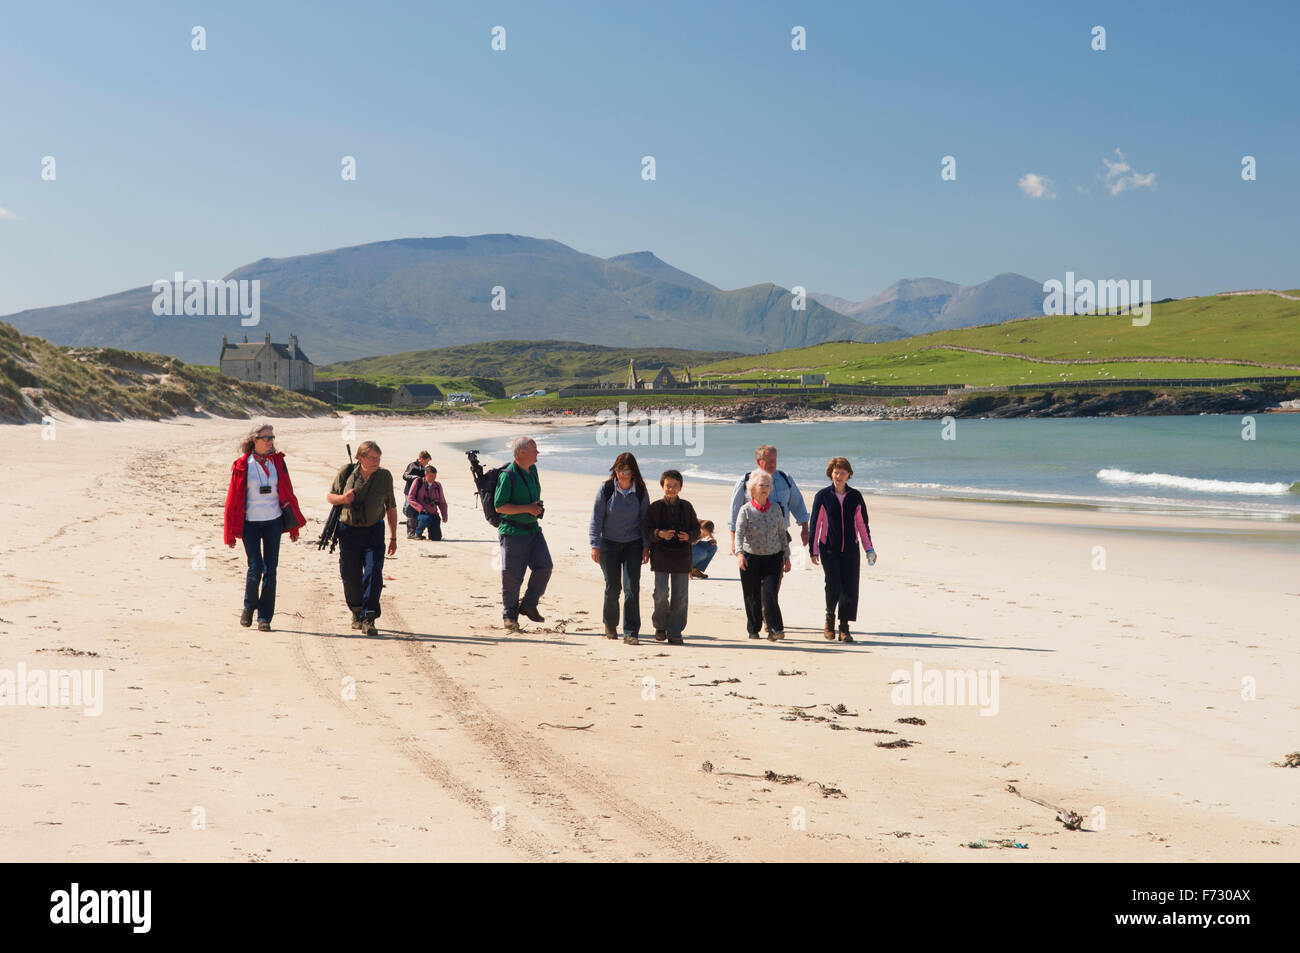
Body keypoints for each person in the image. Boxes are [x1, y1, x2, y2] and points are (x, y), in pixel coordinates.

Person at [223, 423, 306, 632]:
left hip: (273, 521)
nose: (270, 441)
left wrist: (294, 527)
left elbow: (288, 491)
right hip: (250, 522)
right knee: (255, 567)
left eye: (272, 437)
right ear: (255, 440)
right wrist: (230, 532)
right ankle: (249, 607)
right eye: (266, 438)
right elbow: (232, 500)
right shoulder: (243, 465)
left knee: (271, 570)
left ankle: (264, 617)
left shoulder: (278, 462)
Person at [325, 440, 398, 636]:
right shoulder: (346, 472)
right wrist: (343, 499)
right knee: (350, 574)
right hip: (347, 531)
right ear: (360, 458)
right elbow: (330, 496)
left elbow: (391, 507)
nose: (376, 462)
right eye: (372, 458)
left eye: (378, 458)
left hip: (374, 530)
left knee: (374, 572)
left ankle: (369, 616)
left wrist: (393, 537)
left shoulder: (384, 476)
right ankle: (356, 610)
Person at [809, 457, 877, 643]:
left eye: (842, 472)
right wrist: (813, 549)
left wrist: (869, 548)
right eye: (836, 472)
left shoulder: (855, 497)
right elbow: (816, 524)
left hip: (850, 549)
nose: (838, 476)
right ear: (831, 473)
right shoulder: (822, 496)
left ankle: (844, 628)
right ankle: (829, 620)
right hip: (828, 548)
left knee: (849, 587)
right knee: (833, 584)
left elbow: (862, 525)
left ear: (849, 475)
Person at [589, 452, 650, 645]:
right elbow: (596, 518)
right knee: (613, 587)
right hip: (608, 544)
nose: (622, 474)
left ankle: (631, 631)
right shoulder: (606, 489)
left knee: (632, 588)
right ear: (614, 470)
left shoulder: (640, 490)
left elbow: (645, 521)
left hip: (633, 544)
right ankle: (610, 624)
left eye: (626, 471)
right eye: (619, 470)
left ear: (633, 472)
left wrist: (646, 546)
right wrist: (594, 545)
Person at [495, 435, 551, 632]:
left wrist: (535, 507)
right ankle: (509, 616)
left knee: (545, 567)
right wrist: (527, 508)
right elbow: (500, 506)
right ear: (522, 452)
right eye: (534, 449)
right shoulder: (507, 475)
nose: (538, 453)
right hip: (512, 532)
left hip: (533, 530)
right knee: (512, 577)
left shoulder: (533, 470)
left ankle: (528, 604)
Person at [645, 470, 701, 645]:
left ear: (681, 487)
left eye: (675, 485)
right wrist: (659, 534)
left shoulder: (687, 506)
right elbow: (647, 530)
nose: (671, 488)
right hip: (661, 556)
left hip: (682, 557)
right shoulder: (655, 507)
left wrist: (689, 537)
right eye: (668, 485)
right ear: (662, 486)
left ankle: (675, 631)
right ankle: (660, 626)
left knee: (681, 596)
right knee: (660, 594)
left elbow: (696, 530)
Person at [734, 470, 791, 641]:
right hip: (750, 557)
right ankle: (753, 628)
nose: (765, 488)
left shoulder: (775, 509)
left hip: (773, 557)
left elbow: (782, 534)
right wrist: (739, 554)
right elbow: (739, 534)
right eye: (761, 485)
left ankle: (775, 629)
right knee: (752, 595)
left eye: (768, 485)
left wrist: (786, 557)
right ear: (752, 488)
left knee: (770, 593)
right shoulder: (745, 510)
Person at [728, 444, 809, 556]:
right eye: (769, 461)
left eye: (774, 460)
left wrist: (805, 529)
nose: (773, 464)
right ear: (758, 461)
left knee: (776, 573)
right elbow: (734, 513)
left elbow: (798, 504)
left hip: (780, 537)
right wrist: (734, 542)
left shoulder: (785, 479)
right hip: (752, 541)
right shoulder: (745, 481)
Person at [407, 465, 448, 540]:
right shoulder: (418, 482)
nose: (433, 478)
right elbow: (410, 498)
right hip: (420, 513)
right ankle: (417, 533)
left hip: (433, 513)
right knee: (426, 518)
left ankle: (431, 533)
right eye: (431, 476)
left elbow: (442, 502)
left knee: (436, 537)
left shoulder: (437, 485)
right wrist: (420, 508)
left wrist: (444, 515)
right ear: (425, 474)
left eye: (434, 476)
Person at [402, 451, 432, 539]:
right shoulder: (413, 466)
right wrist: (414, 477)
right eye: (426, 461)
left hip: (419, 493)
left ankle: (416, 532)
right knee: (410, 511)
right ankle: (410, 533)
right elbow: (405, 475)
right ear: (421, 459)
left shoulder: (424, 469)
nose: (427, 463)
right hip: (409, 492)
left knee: (417, 512)